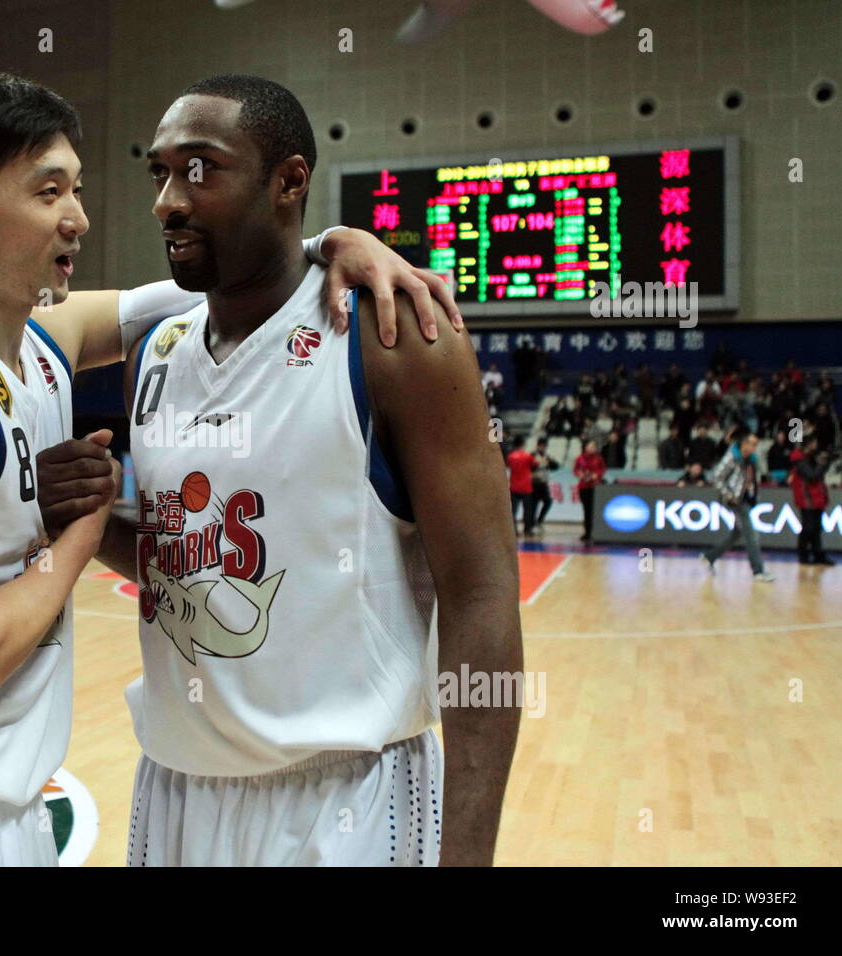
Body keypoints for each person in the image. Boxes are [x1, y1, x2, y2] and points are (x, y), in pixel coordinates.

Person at [0, 70, 456, 868]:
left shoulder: (39, 337)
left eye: (75, 186)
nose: (78, 217)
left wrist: (336, 243)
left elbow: (223, 280)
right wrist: (85, 525)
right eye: (46, 194)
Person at [38, 74, 519, 867]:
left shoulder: (396, 340)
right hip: (177, 786)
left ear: (289, 180)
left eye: (199, 169)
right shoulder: (155, 349)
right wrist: (92, 524)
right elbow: (186, 568)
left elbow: (482, 592)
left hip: (346, 796)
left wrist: (466, 857)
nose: (167, 199)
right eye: (158, 172)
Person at [701, 432, 774, 581]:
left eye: (756, 445)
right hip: (735, 501)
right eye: (752, 444)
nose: (754, 448)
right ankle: (758, 571)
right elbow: (717, 477)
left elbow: (753, 478)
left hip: (746, 498)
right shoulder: (732, 457)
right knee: (751, 535)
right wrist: (729, 495)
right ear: (744, 444)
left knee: (737, 534)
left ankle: (710, 557)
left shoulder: (752, 459)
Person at [790, 437, 833, 565]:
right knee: (808, 527)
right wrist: (822, 464)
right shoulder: (800, 459)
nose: (816, 445)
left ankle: (818, 554)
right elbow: (812, 476)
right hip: (806, 498)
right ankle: (803, 555)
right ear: (808, 445)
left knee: (817, 528)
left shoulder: (811, 457)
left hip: (817, 497)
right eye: (814, 443)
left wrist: (825, 462)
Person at [574, 439, 606, 544]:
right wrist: (580, 474)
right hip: (583, 486)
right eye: (591, 446)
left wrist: (597, 475)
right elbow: (576, 470)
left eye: (594, 446)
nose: (593, 448)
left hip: (595, 487)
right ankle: (587, 532)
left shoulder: (598, 458)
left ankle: (596, 532)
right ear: (586, 447)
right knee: (586, 510)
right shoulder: (580, 458)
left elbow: (602, 469)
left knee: (594, 510)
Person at [506, 436, 537, 536]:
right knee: (527, 510)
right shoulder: (527, 456)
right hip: (526, 487)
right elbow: (534, 465)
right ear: (523, 444)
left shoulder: (510, 456)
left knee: (513, 510)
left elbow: (508, 466)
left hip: (514, 486)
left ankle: (514, 531)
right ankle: (527, 530)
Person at [530, 436, 559, 531]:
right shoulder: (532, 455)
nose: (543, 448)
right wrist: (537, 463)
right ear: (538, 446)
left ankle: (540, 520)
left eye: (544, 446)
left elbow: (556, 466)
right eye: (541, 446)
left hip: (543, 483)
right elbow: (529, 467)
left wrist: (549, 462)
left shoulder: (547, 456)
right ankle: (531, 524)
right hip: (534, 482)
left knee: (548, 501)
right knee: (533, 505)